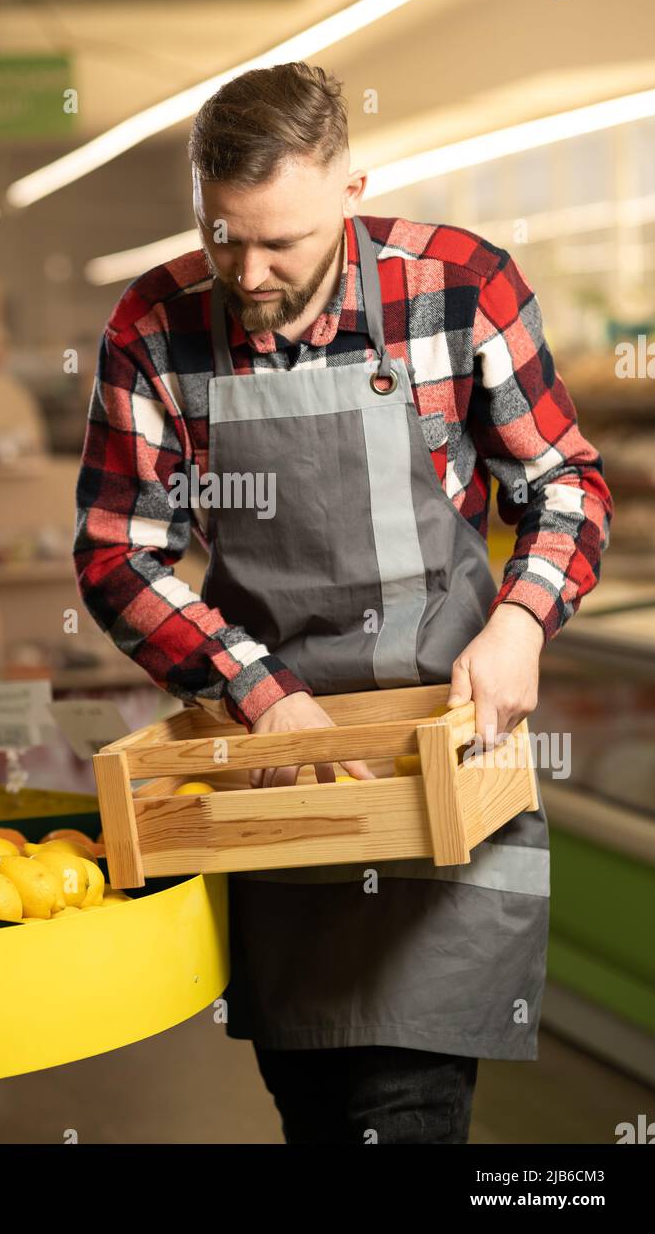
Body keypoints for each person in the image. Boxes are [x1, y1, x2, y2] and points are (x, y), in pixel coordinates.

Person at [74, 61, 612, 1144]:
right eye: (225, 237)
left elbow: (562, 483)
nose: (251, 271)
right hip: (278, 783)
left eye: (282, 242)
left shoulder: (459, 286)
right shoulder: (155, 325)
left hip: (448, 763)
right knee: (316, 1109)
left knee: (406, 1106)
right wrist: (259, 694)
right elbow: (115, 554)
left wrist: (517, 623)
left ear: (350, 193)